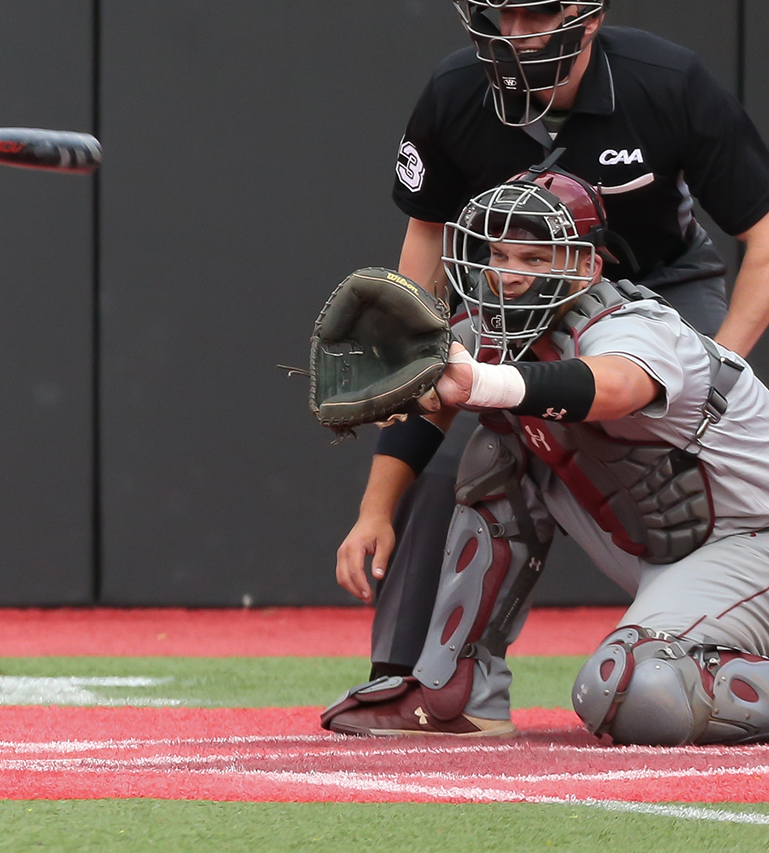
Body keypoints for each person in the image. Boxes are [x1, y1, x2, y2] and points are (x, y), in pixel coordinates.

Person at [345, 0, 769, 686]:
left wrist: (722, 367)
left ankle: (715, 623)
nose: (513, 35)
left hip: (663, 294)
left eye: (535, 15)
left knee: (672, 454)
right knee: (464, 458)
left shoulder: (665, 82)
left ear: (589, 17)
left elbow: (763, 235)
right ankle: (416, 678)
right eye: (499, 17)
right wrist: (408, 350)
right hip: (529, 302)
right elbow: (427, 233)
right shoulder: (453, 93)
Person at [323, 171, 769, 744]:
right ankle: (457, 693)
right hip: (674, 541)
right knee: (499, 447)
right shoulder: (489, 329)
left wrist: (483, 382)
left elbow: (616, 386)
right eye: (500, 255)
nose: (508, 276)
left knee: (640, 690)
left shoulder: (637, 327)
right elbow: (433, 404)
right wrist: (374, 511)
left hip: (749, 538)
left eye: (533, 259)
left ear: (587, 267)